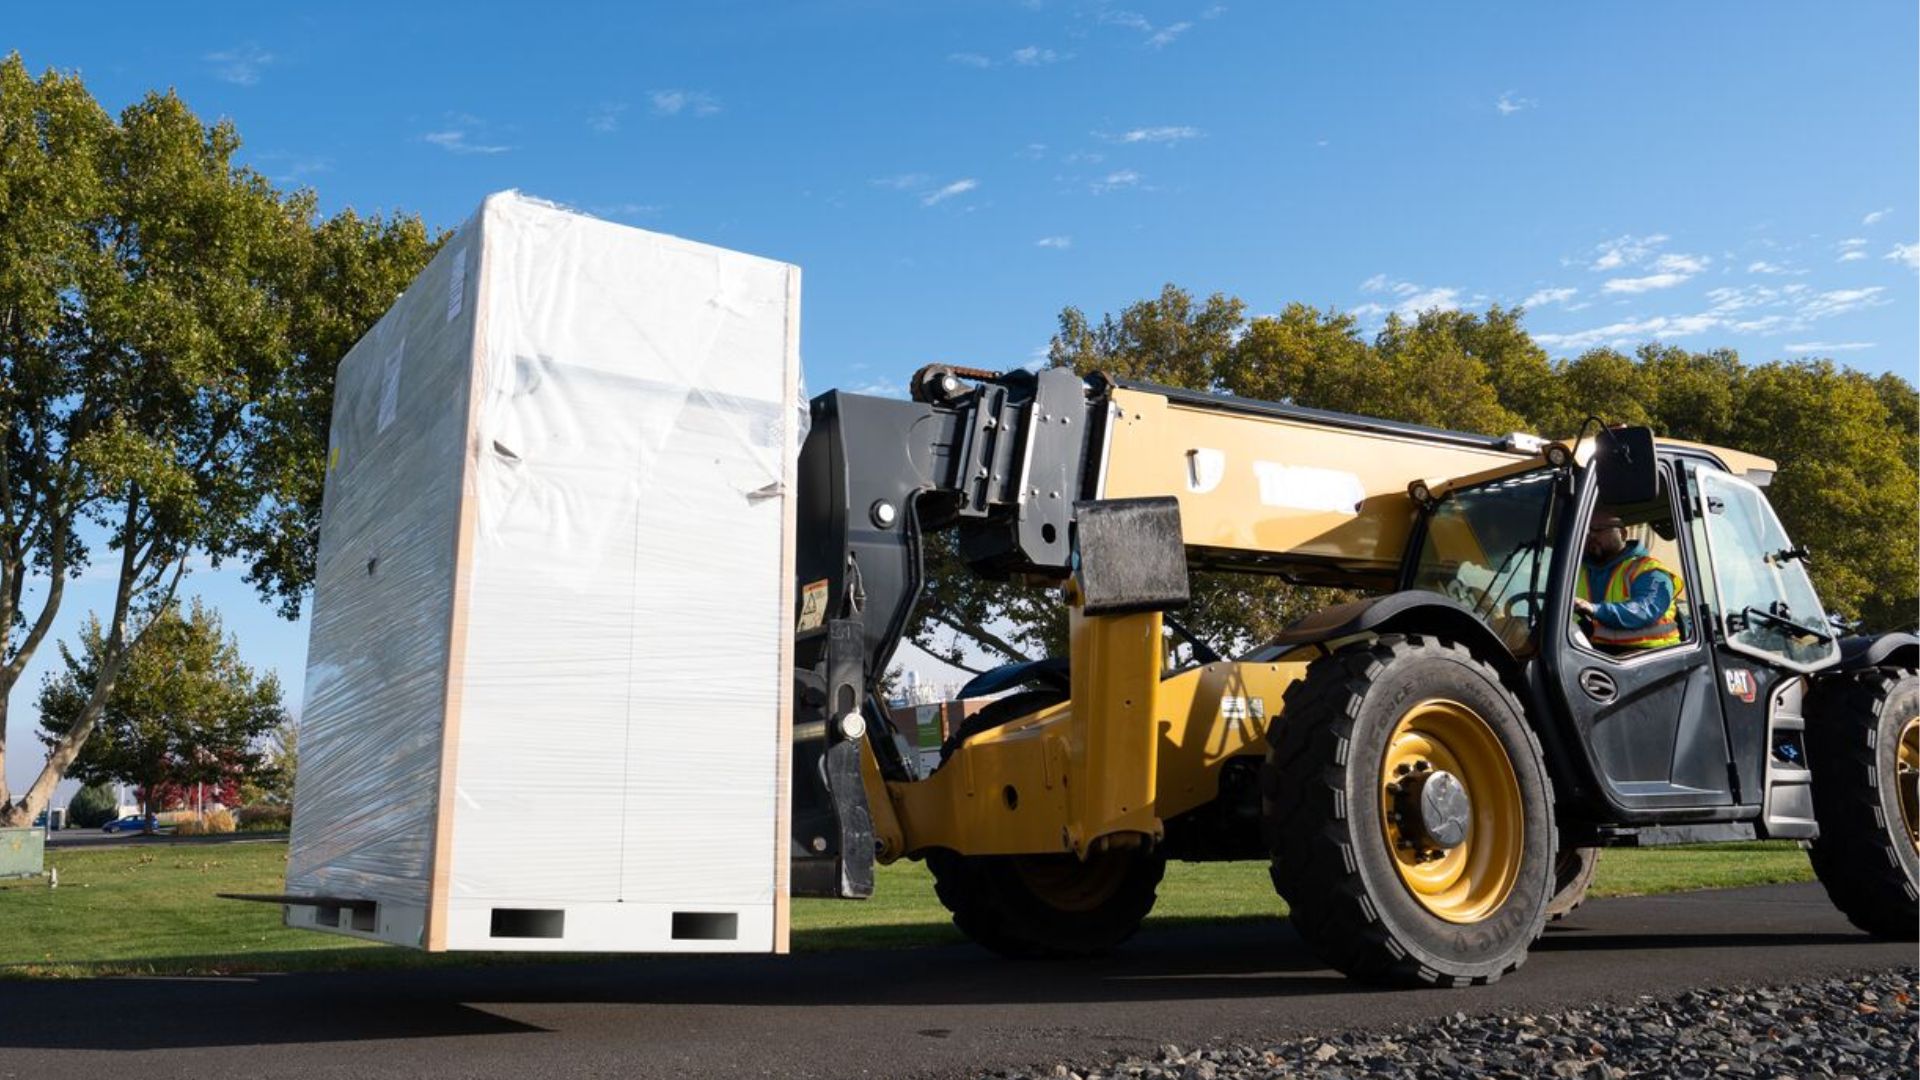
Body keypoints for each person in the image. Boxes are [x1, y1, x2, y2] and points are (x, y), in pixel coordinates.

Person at [1573, 510, 1684, 652]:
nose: (1592, 535)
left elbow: (1644, 610)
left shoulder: (1649, 571)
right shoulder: (1576, 570)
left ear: (1623, 534)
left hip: (1652, 657)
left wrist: (1594, 609)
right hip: (1593, 654)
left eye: (1599, 529)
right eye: (1587, 530)